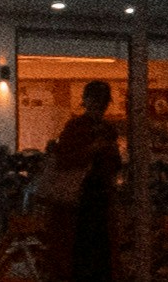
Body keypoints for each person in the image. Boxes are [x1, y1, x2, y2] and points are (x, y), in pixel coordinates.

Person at [43, 78, 127, 282]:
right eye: (97, 101)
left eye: (102, 102)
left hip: (92, 200)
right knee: (86, 254)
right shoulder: (78, 127)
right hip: (82, 201)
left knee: (92, 254)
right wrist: (94, 150)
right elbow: (65, 160)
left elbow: (112, 164)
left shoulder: (101, 129)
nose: (100, 106)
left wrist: (108, 152)